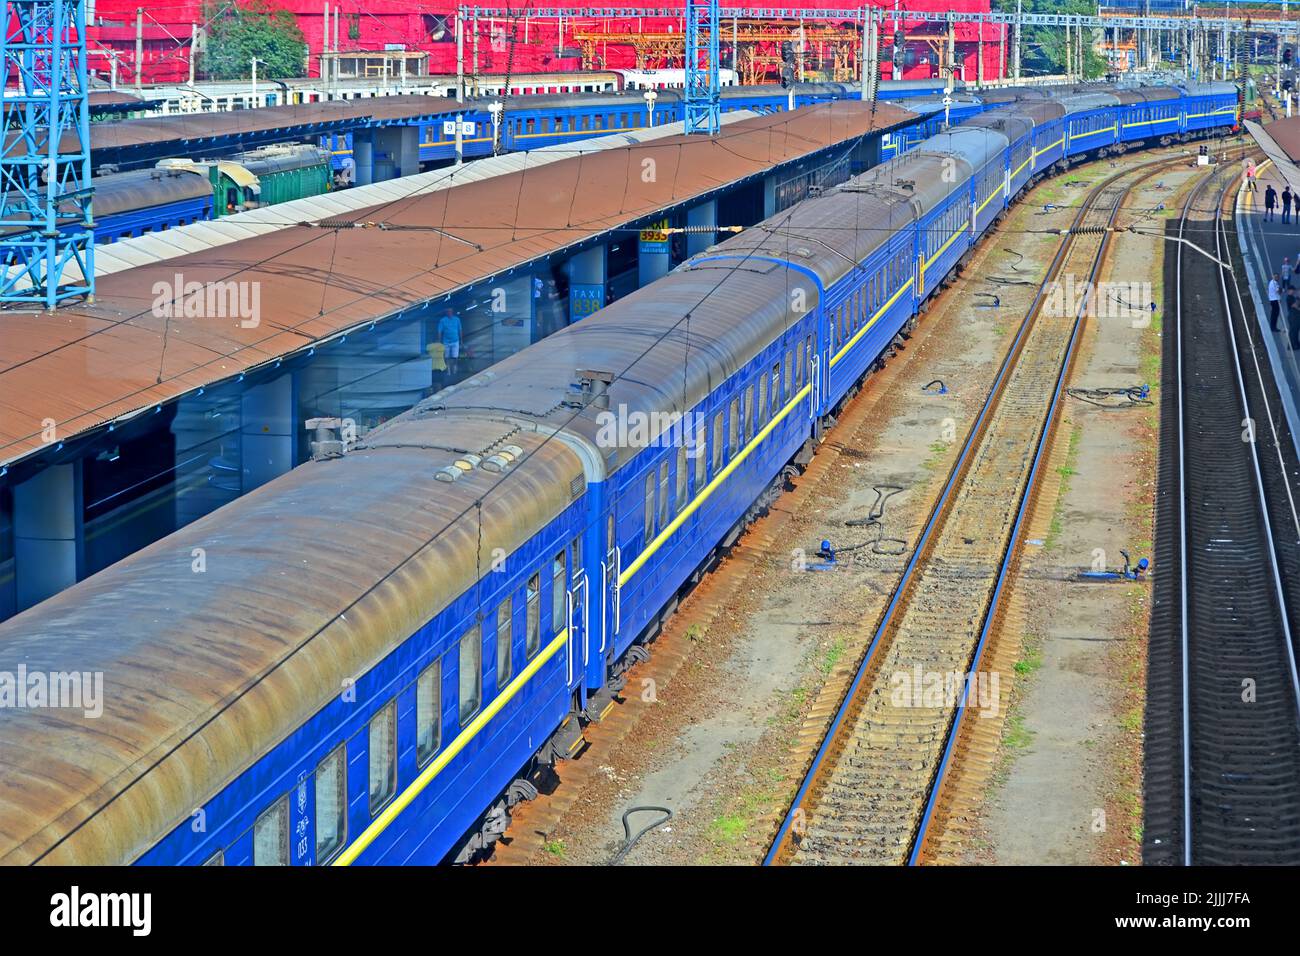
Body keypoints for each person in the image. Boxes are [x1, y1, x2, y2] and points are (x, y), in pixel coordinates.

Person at [437, 307, 463, 378]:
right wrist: (439, 342)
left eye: (450, 311)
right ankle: (448, 369)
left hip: (455, 341)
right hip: (446, 342)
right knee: (447, 357)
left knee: (455, 356)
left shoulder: (457, 319)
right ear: (446, 313)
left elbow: (460, 330)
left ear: (452, 312)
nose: (449, 313)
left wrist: (461, 340)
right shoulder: (442, 320)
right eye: (448, 312)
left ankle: (454, 367)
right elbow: (439, 331)